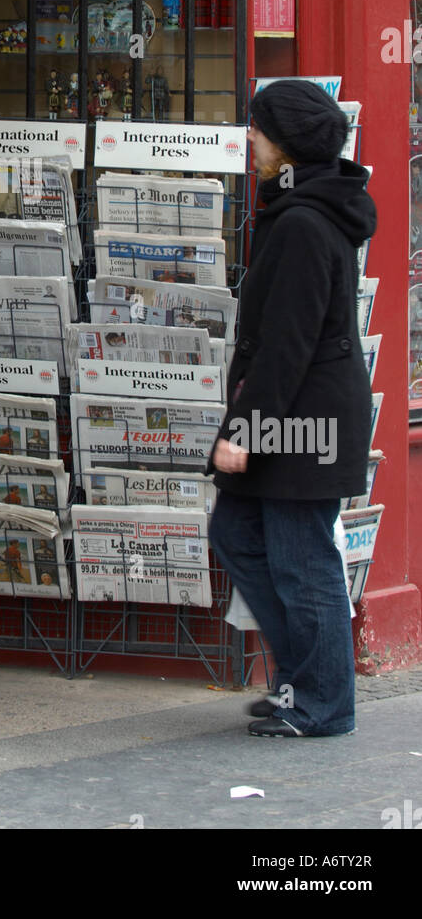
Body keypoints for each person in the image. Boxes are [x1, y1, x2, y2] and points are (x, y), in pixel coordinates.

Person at [207, 80, 377, 738]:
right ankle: (300, 683)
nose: (248, 139)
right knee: (237, 533)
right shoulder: (296, 206)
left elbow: (288, 341)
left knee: (301, 559)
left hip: (307, 422)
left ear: (283, 143)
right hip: (296, 415)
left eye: (257, 129)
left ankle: (322, 702)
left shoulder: (305, 222)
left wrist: (245, 431)